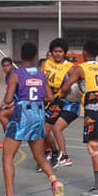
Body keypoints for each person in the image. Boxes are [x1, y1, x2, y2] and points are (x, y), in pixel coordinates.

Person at [0, 41, 64, 196]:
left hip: (23, 115)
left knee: (7, 157)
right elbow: (49, 97)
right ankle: (54, 181)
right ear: (35, 56)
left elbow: (8, 99)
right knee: (40, 156)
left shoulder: (16, 74)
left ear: (20, 56)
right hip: (38, 114)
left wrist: (15, 95)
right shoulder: (41, 74)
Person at [59, 40, 98, 196]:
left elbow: (65, 88)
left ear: (84, 52)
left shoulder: (80, 68)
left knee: (94, 147)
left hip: (93, 110)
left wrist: (71, 90)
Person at [42, 38, 79, 169]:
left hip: (61, 101)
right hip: (47, 99)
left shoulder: (70, 67)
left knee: (48, 128)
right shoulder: (46, 63)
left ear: (65, 53)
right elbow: (41, 79)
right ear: (51, 52)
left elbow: (76, 83)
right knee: (42, 128)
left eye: (60, 51)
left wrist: (67, 88)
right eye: (55, 51)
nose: (57, 54)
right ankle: (50, 152)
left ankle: (62, 155)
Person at [0, 57, 16, 149]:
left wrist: (12, 103)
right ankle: (8, 139)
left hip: (21, 103)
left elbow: (17, 91)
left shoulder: (14, 75)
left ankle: (12, 137)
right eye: (4, 66)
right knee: (3, 116)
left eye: (8, 65)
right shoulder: (7, 76)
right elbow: (8, 92)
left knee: (1, 115)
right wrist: (1, 105)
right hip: (13, 102)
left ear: (11, 66)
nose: (5, 67)